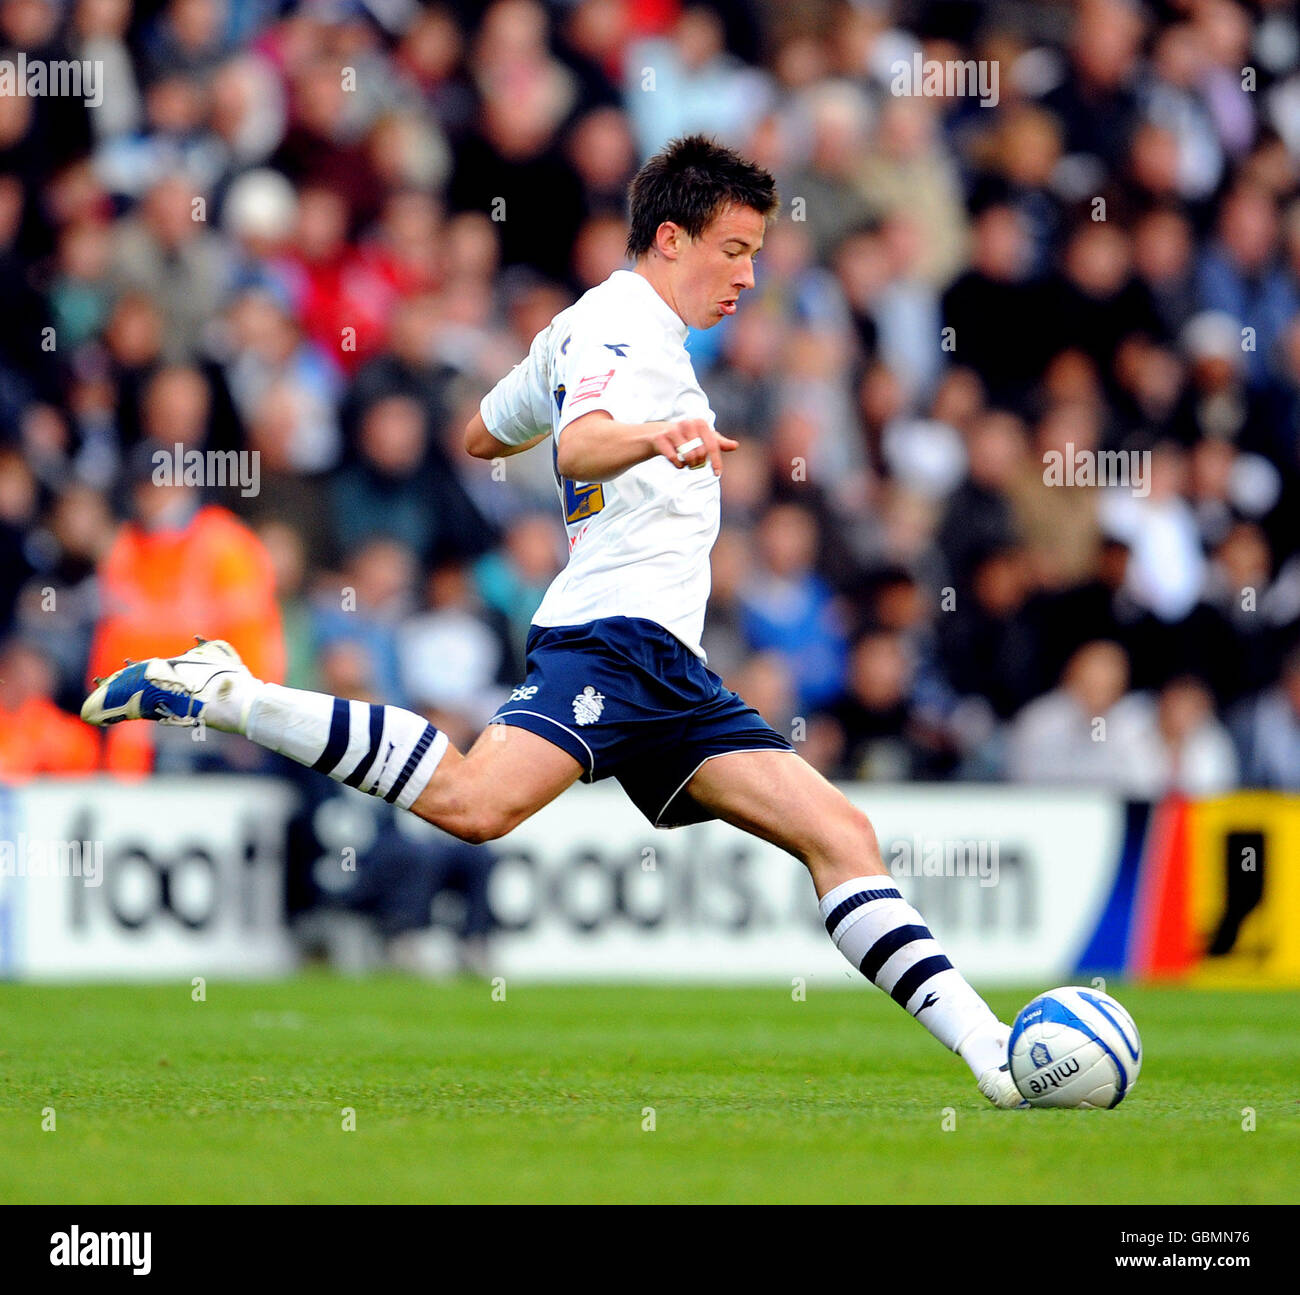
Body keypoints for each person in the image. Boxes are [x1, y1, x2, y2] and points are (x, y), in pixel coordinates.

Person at [81, 135, 1023, 1108]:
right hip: (611, 643)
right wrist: (650, 435)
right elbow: (576, 444)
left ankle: (991, 1054)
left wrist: (572, 396)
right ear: (670, 237)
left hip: (669, 667)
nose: (750, 274)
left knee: (839, 829)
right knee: (473, 802)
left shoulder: (587, 326)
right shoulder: (625, 325)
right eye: (735, 248)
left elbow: (484, 430)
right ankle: (229, 692)